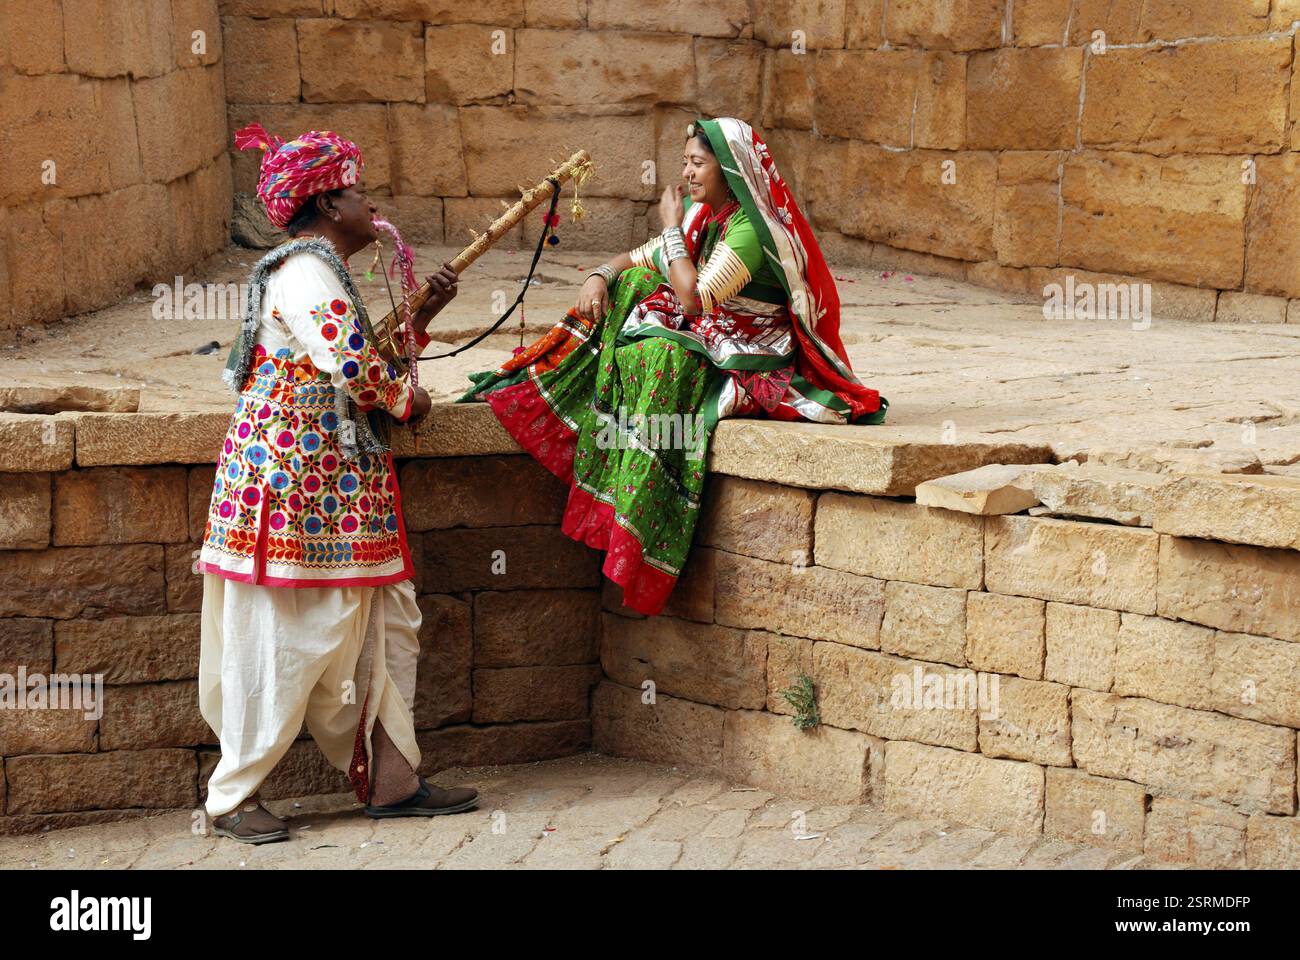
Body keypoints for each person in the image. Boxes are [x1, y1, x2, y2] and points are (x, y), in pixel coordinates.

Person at [460, 117, 888, 616]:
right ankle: (576, 408)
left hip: (750, 345)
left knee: (661, 351)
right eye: (684, 161)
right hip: (714, 325)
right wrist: (600, 274)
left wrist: (670, 229)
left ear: (729, 170)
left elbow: (694, 300)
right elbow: (640, 260)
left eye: (698, 163)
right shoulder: (707, 216)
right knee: (630, 290)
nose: (686, 172)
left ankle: (643, 486)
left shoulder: (748, 228)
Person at [196, 123, 475, 844]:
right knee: (287, 634)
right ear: (326, 202)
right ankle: (233, 796)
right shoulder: (306, 274)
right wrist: (410, 401)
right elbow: (354, 369)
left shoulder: (322, 273)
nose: (368, 202)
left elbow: (354, 358)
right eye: (355, 190)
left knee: (387, 623)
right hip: (295, 493)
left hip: (338, 491)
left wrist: (422, 320)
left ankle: (393, 778)